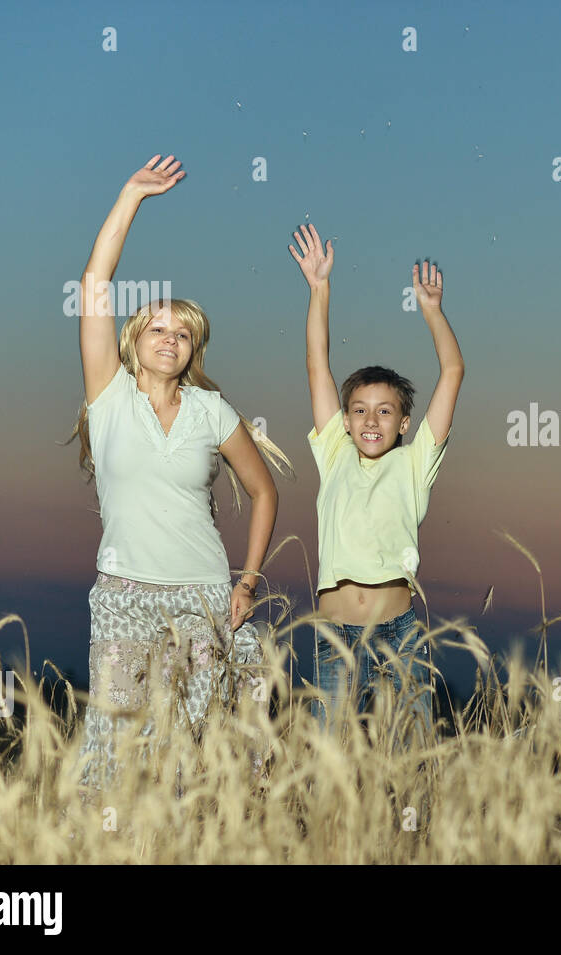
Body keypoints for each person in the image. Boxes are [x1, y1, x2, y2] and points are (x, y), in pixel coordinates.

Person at [71, 155, 290, 789]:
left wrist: (246, 582)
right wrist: (131, 195)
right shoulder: (108, 397)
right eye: (158, 327)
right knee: (114, 753)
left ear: (195, 350)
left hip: (203, 599)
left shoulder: (210, 410)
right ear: (133, 337)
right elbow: (94, 284)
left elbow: (263, 489)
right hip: (123, 599)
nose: (170, 339)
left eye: (184, 334)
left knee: (192, 760)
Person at [289, 224, 463, 745]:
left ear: (404, 423)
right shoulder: (335, 452)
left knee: (410, 756)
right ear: (343, 419)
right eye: (360, 410)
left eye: (385, 412)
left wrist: (432, 310)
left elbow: (452, 371)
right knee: (328, 757)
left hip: (400, 633)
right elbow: (317, 364)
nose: (371, 420)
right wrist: (320, 289)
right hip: (334, 637)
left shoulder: (415, 464)